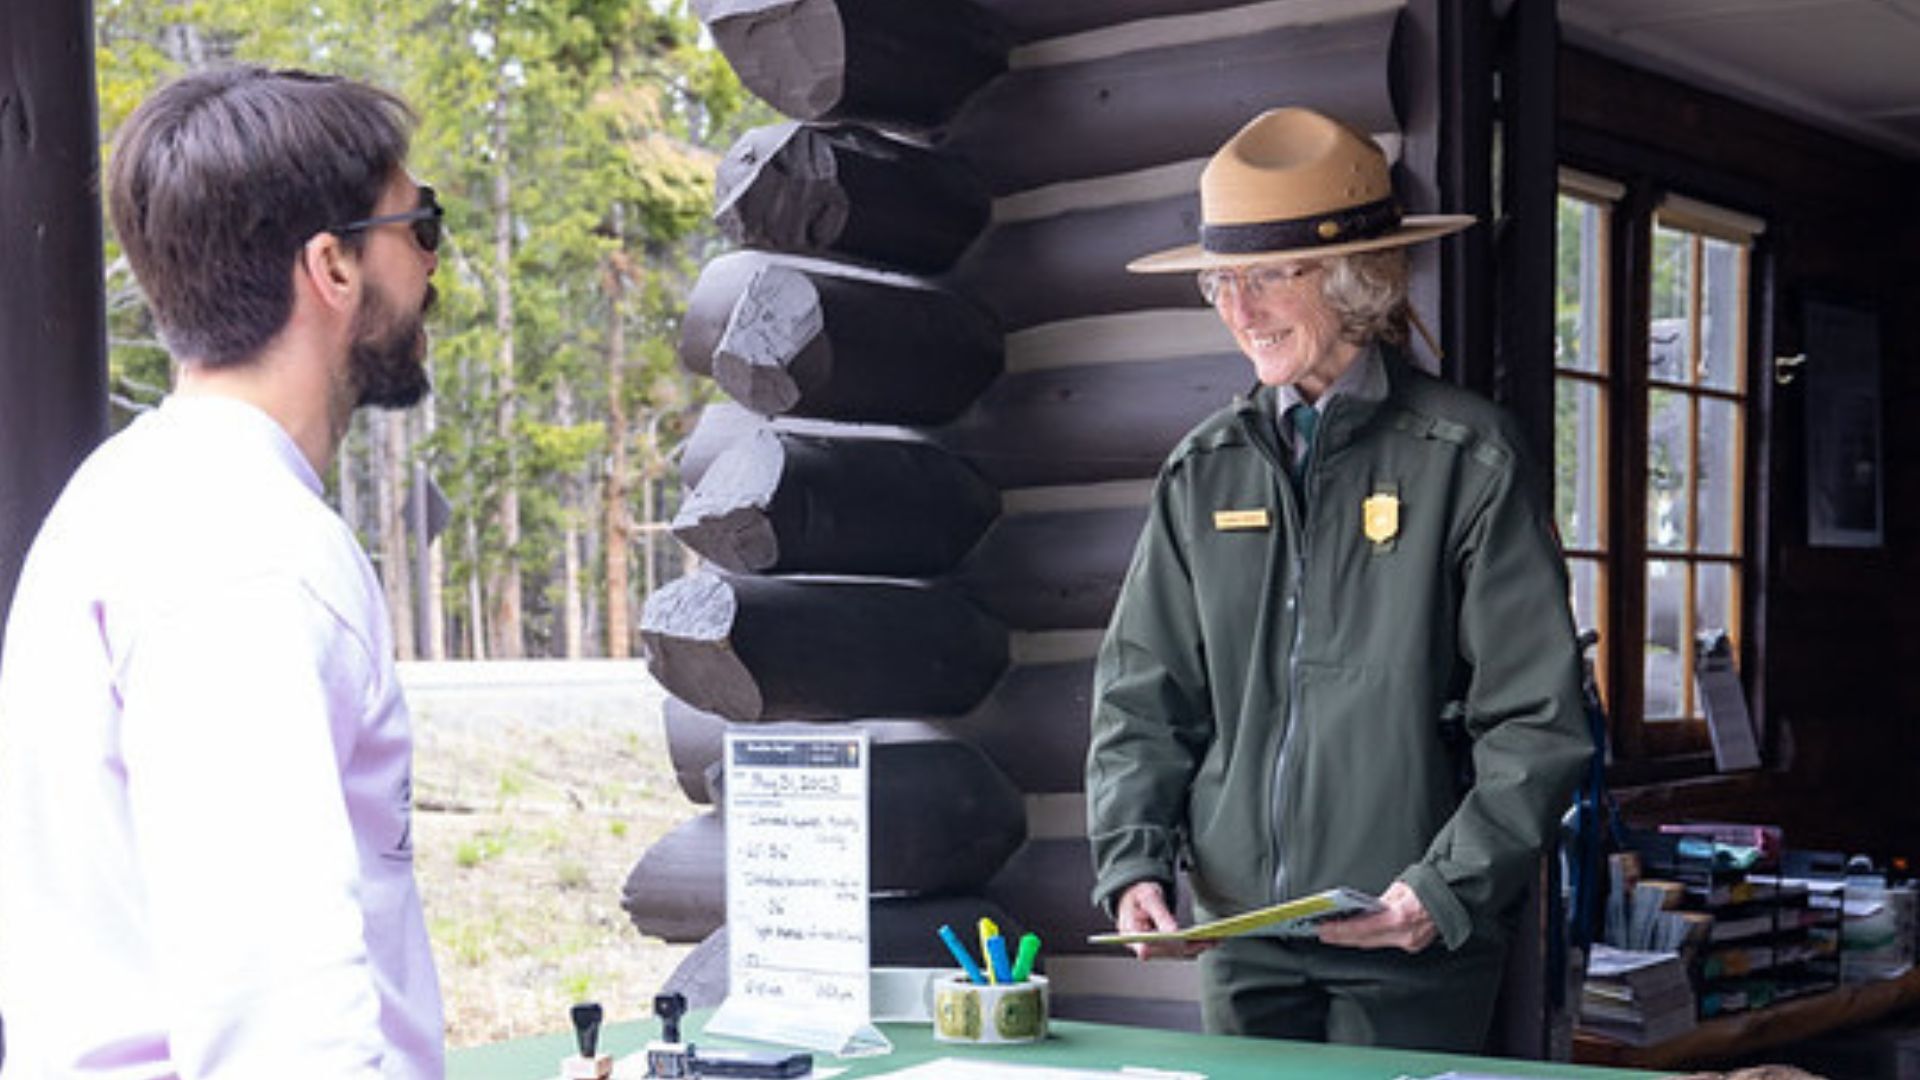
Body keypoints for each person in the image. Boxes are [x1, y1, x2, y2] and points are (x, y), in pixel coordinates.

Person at [1085, 107, 1593, 1052]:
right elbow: (1143, 698)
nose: (1239, 311)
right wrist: (1133, 862)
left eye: (1271, 275)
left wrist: (1446, 888)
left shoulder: (1469, 458)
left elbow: (1539, 718)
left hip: (1407, 935)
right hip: (1241, 937)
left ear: (1357, 278)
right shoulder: (1205, 471)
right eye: (1222, 280)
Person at [0, 66, 446, 1077]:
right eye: (419, 225)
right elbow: (280, 1024)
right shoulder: (246, 556)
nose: (431, 262)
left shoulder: (132, 493)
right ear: (332, 267)